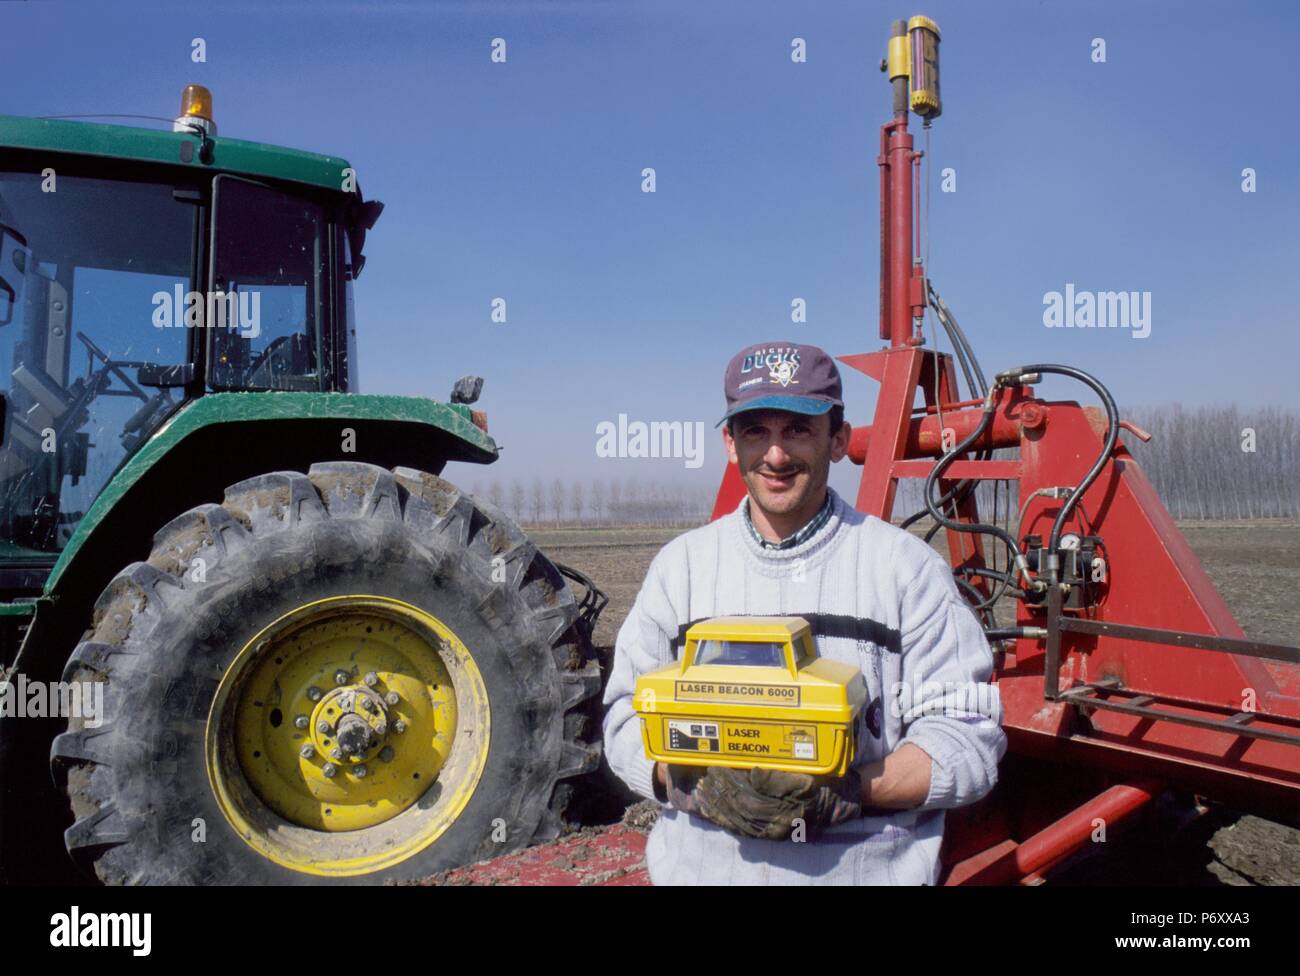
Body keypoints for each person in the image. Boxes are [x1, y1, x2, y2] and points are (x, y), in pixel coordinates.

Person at [602, 340, 1006, 885]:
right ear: (729, 442)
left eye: (797, 429)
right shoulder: (682, 571)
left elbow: (967, 739)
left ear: (838, 439)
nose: (775, 455)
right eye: (755, 431)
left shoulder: (904, 570)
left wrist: (848, 792)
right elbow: (627, 713)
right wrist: (684, 784)